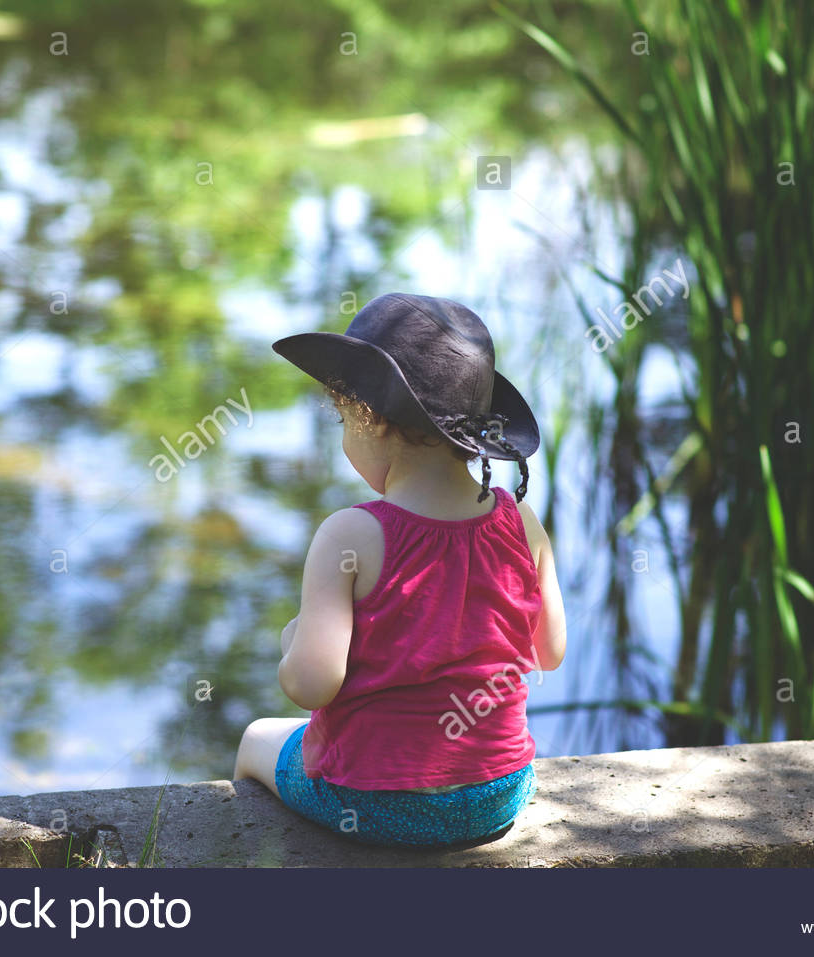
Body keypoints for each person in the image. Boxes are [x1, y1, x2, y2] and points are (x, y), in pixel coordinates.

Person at [233, 292, 567, 847]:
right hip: (498, 793)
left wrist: (293, 639)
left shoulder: (350, 535)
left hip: (372, 804)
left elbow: (312, 686)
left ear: (374, 420)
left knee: (256, 737)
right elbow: (547, 653)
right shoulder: (523, 522)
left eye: (343, 418)